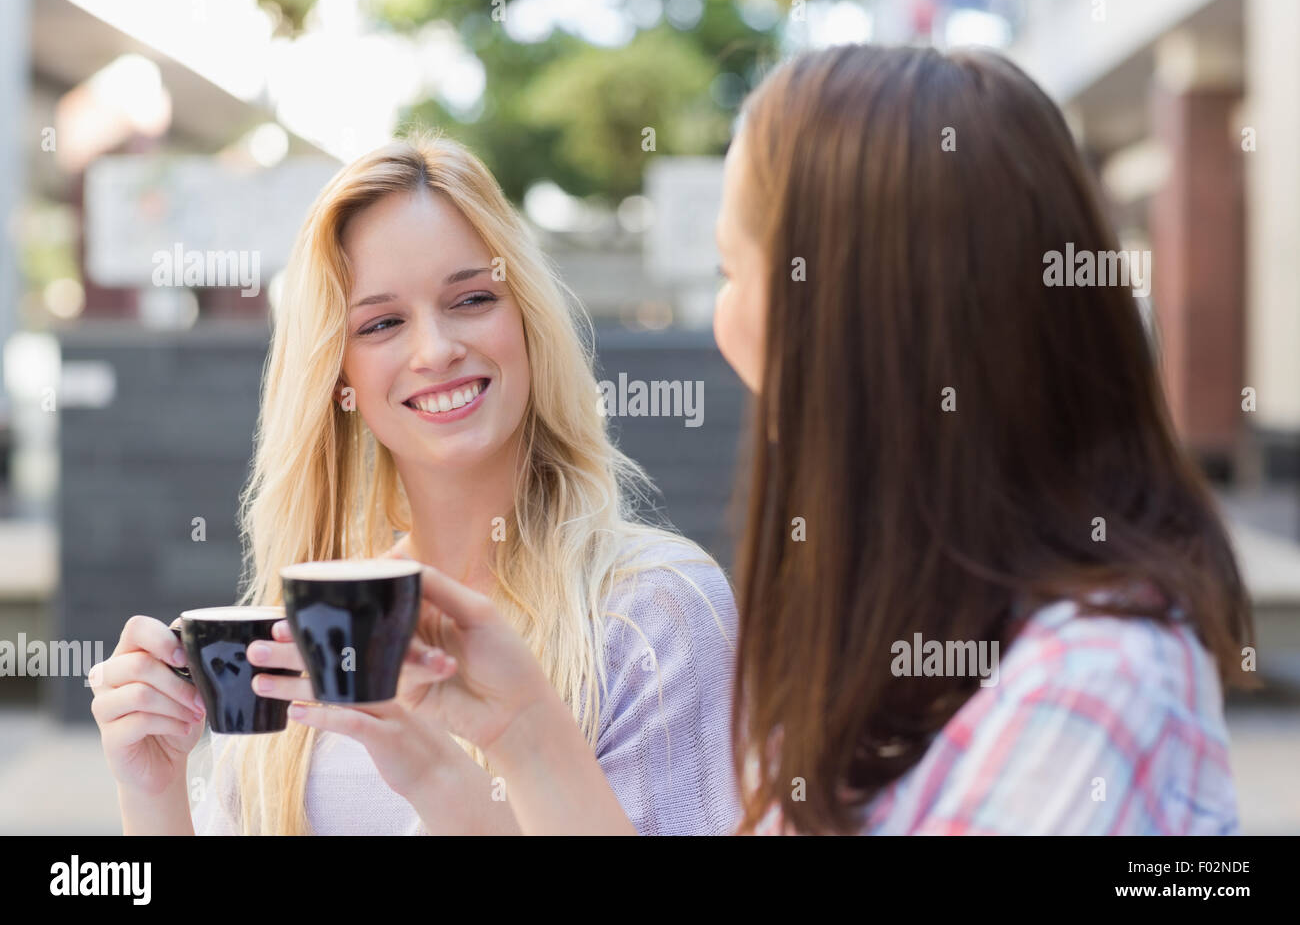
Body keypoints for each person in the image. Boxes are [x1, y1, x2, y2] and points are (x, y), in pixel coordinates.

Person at [367, 44, 1256, 835]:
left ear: (849, 313)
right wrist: (519, 736)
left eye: (731, 270)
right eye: (377, 324)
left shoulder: (1088, 698)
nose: (724, 323)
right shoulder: (906, 633)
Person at [89, 134, 740, 835]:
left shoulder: (654, 613)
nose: (435, 350)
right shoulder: (302, 630)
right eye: (383, 322)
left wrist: (445, 786)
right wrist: (152, 796)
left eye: (471, 299)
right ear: (338, 378)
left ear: (526, 317)